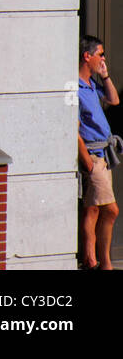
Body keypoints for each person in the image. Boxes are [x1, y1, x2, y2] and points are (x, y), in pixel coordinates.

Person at [78, 36, 120, 270]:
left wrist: (104, 75)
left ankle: (94, 260)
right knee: (110, 209)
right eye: (100, 54)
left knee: (94, 208)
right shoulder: (75, 87)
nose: (103, 59)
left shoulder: (93, 84)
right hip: (93, 157)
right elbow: (73, 129)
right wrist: (87, 161)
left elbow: (113, 100)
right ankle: (100, 262)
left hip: (104, 156)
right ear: (88, 56)